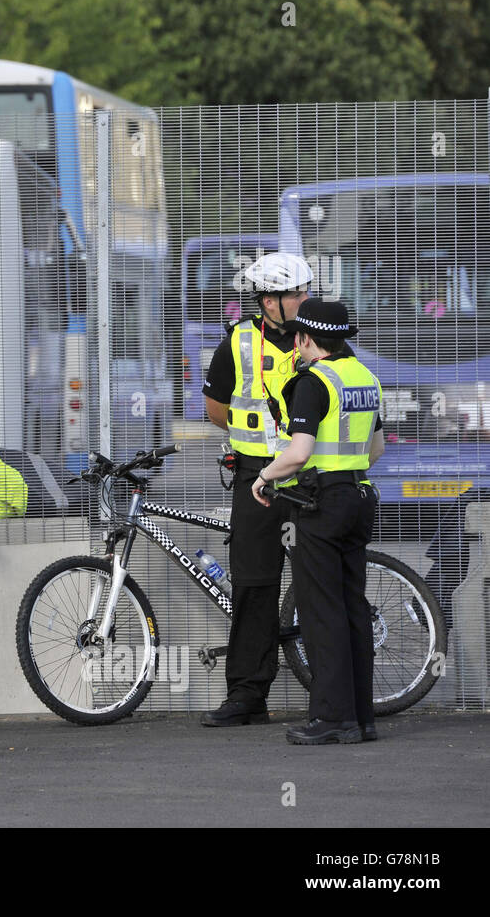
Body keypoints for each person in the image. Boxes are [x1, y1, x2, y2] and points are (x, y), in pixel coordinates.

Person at [252, 298, 385, 744]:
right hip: (360, 497)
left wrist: (265, 476)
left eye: (298, 339)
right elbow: (375, 450)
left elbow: (299, 452)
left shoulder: (315, 381)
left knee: (320, 610)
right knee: (352, 609)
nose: (297, 347)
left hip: (322, 505)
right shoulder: (366, 378)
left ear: (308, 338)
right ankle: (359, 718)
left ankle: (330, 718)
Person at [200, 252, 311, 727]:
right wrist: (263, 445)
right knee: (254, 585)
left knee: (320, 583)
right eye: (284, 294)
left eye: (294, 292)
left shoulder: (323, 340)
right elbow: (216, 407)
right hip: (256, 477)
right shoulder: (239, 341)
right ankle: (247, 694)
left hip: (310, 476)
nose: (299, 299)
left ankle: (335, 690)